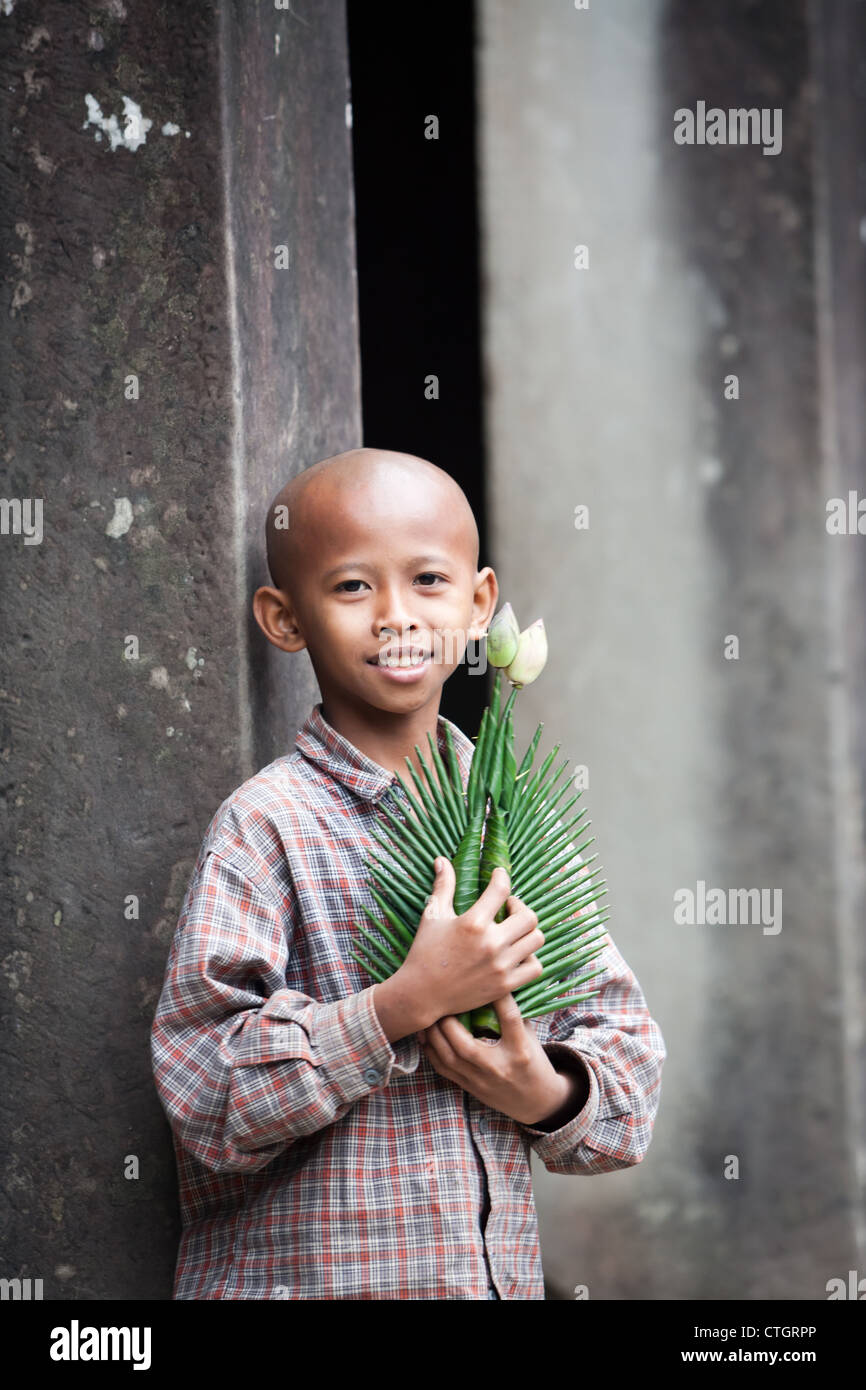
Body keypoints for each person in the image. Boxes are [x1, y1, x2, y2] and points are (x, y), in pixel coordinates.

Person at [150, 446, 667, 1300]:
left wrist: (540, 1086)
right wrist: (401, 1003)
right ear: (285, 619)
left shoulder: (515, 821)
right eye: (353, 587)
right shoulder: (269, 826)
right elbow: (209, 1096)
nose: (397, 615)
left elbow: (629, 1079)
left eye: (429, 580)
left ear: (479, 604)